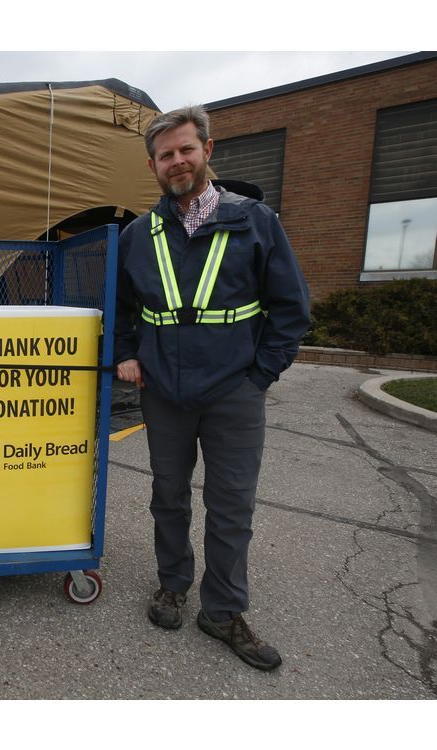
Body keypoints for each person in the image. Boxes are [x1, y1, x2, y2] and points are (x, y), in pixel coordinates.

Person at [115, 105, 310, 672]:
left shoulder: (255, 221)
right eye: (165, 155)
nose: (177, 161)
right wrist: (126, 353)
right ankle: (172, 585)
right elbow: (122, 309)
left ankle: (222, 611)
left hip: (234, 392)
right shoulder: (137, 235)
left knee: (231, 505)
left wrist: (259, 376)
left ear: (207, 151)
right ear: (153, 165)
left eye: (185, 150)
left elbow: (291, 310)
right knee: (168, 495)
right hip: (165, 392)